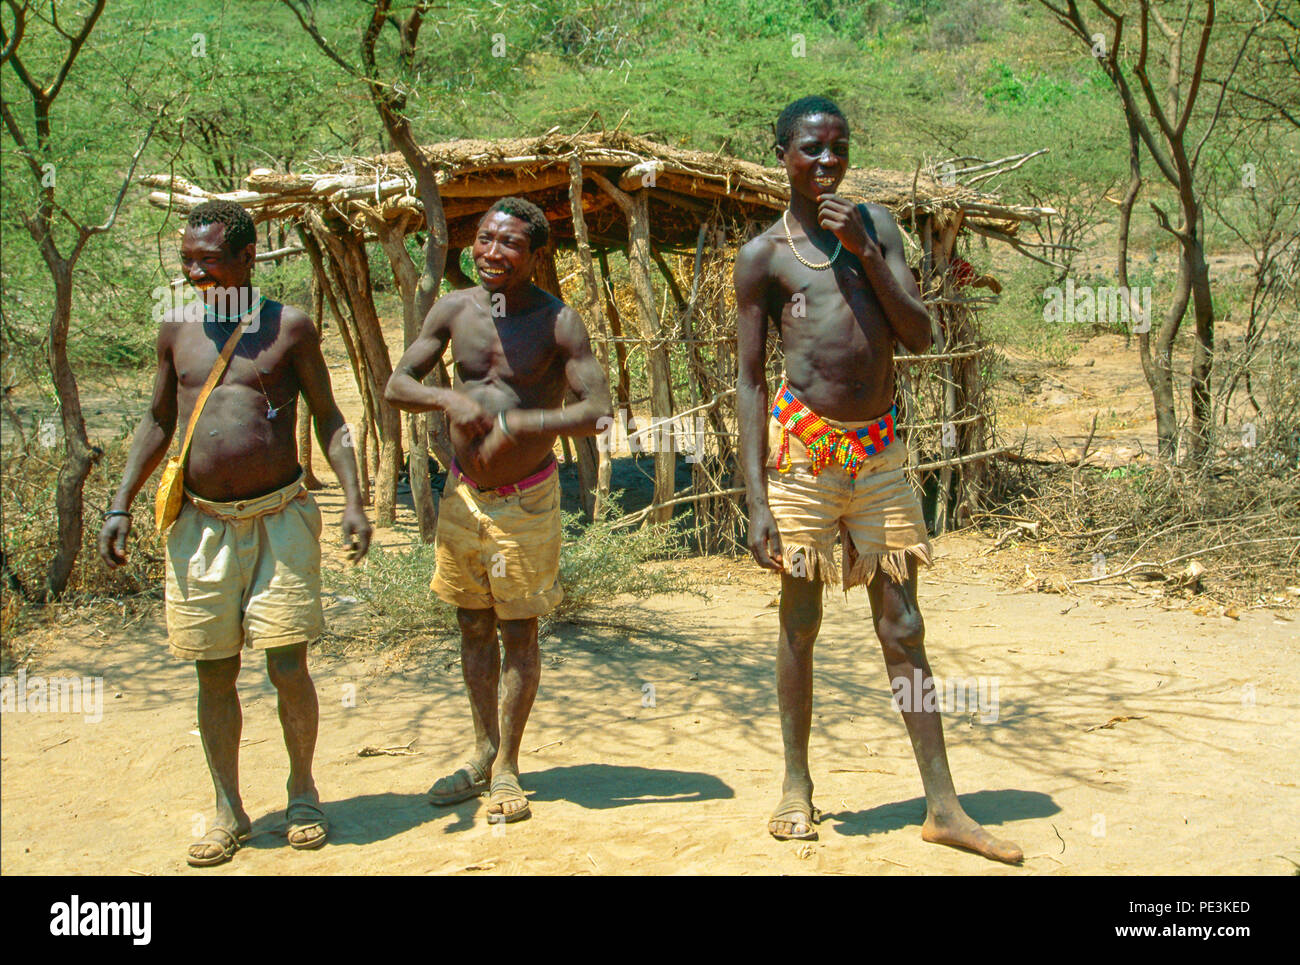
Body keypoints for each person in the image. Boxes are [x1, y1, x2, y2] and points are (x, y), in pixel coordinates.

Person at [734, 96, 1022, 864]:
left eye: (838, 148)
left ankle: (943, 803)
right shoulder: (764, 255)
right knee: (800, 621)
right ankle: (796, 784)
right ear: (782, 154)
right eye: (810, 149)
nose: (826, 162)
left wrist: (864, 250)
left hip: (881, 455)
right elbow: (749, 381)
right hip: (800, 456)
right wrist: (756, 497)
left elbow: (920, 333)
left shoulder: (879, 227)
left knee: (903, 627)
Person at [100, 200, 372, 867]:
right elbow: (159, 419)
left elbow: (332, 419)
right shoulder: (177, 329)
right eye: (186, 260)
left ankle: (303, 791)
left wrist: (356, 501)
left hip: (280, 518)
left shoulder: (291, 329)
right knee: (214, 669)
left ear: (249, 258)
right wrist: (119, 502)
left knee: (286, 662)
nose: (194, 273)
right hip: (200, 526)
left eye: (209, 260)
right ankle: (227, 806)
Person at [385, 197, 612, 824]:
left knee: (519, 631)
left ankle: (509, 767)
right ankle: (482, 748)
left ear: (536, 255)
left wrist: (522, 420)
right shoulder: (455, 308)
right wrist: (444, 400)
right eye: (484, 240)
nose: (491, 253)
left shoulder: (558, 322)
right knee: (473, 626)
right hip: (461, 495)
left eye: (508, 244)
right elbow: (397, 384)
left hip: (527, 498)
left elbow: (597, 411)